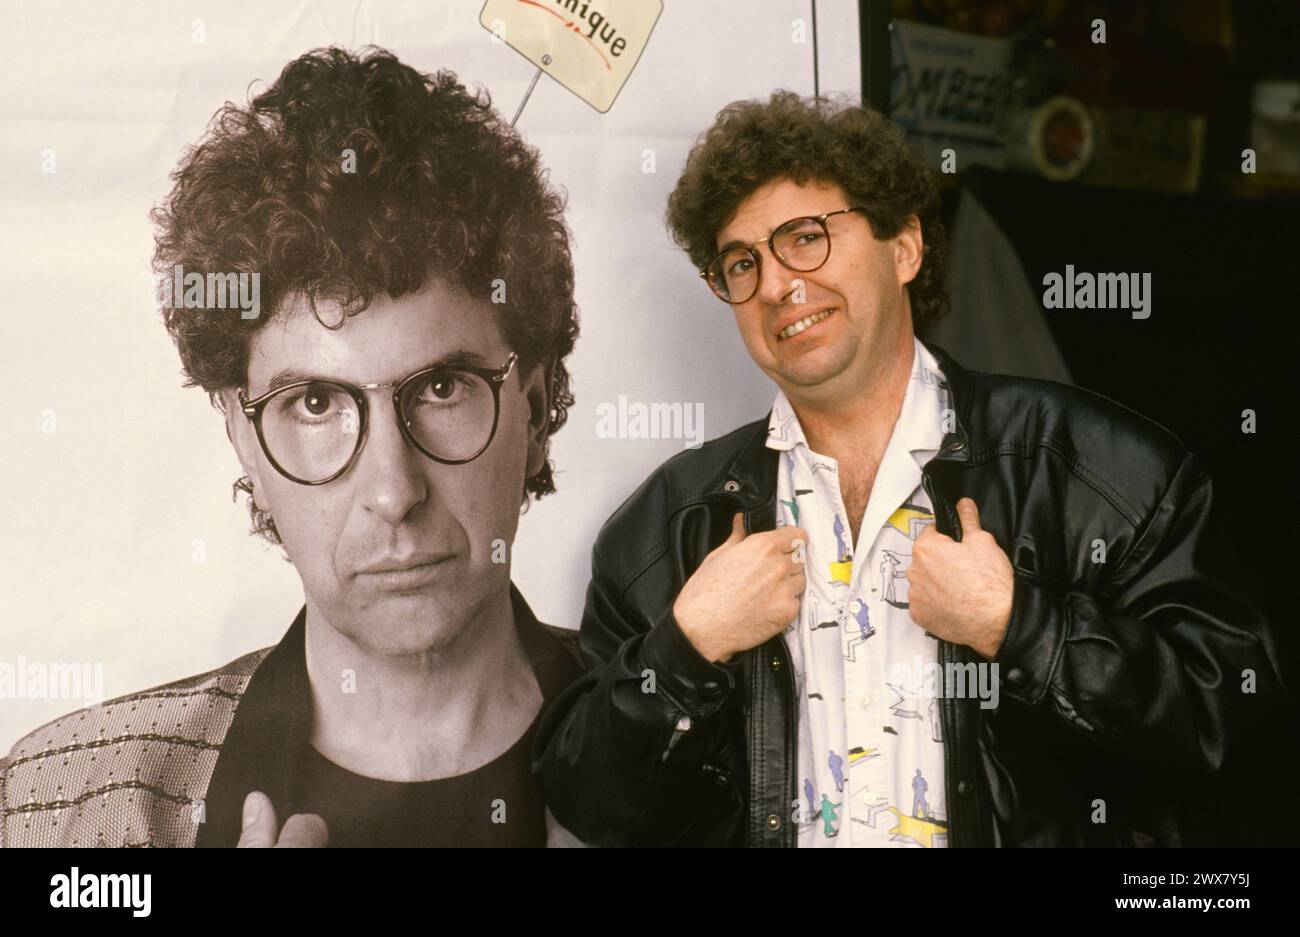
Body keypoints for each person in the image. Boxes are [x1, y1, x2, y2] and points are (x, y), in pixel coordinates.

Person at [533, 91, 1290, 847]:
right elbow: (590, 803)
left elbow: (1238, 729)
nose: (773, 285)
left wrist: (1022, 626)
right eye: (742, 262)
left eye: (804, 237)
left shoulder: (1097, 470)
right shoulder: (666, 528)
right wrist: (686, 646)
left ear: (905, 247)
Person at [1, 46, 584, 848]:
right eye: (316, 403)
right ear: (242, 435)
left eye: (442, 388)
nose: (393, 488)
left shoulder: (729, 767)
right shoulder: (55, 810)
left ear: (538, 401)